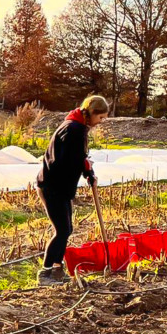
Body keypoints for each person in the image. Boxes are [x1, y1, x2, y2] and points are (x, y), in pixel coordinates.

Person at [35, 95, 109, 286]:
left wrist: (87, 171)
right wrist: (83, 166)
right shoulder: (73, 129)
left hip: (60, 186)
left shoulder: (78, 126)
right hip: (52, 186)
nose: (100, 122)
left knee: (67, 229)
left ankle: (58, 271)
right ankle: (45, 274)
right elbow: (62, 161)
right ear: (92, 113)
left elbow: (78, 157)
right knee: (62, 230)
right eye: (100, 118)